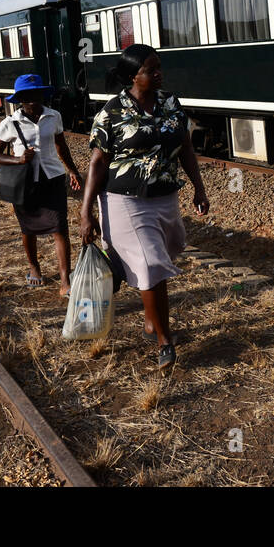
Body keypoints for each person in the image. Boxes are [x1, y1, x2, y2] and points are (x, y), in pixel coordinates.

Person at [79, 44, 209, 370]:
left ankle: (151, 322)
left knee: (154, 260)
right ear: (131, 77)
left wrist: (198, 187)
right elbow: (97, 164)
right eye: (151, 70)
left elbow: (186, 148)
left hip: (164, 199)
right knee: (150, 262)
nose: (158, 74)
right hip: (124, 201)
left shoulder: (170, 102)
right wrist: (86, 212)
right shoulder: (111, 112)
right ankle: (165, 341)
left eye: (159, 67)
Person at [0, 74, 82, 296]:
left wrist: (73, 170)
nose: (32, 100)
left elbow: (62, 146)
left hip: (53, 178)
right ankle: (34, 267)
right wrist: (18, 159)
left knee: (60, 228)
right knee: (28, 229)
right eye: (27, 96)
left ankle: (65, 281)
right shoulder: (9, 123)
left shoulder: (54, 116)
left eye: (36, 94)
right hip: (25, 183)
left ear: (43, 94)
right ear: (19, 99)